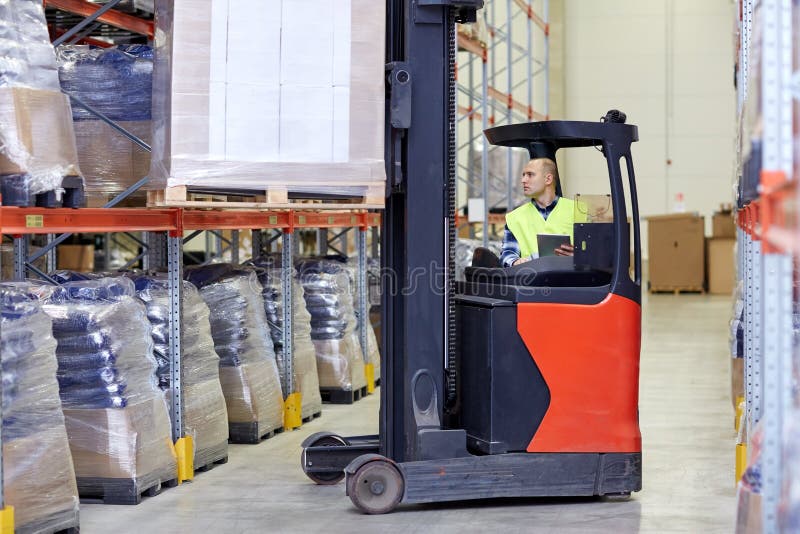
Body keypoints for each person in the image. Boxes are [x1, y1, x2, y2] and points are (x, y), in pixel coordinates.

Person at [500, 157, 575, 267]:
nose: (523, 180)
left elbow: (593, 252)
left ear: (548, 179)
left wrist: (579, 256)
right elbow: (508, 254)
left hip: (572, 277)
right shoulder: (514, 217)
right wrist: (515, 262)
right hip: (530, 276)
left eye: (530, 175)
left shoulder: (579, 211)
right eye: (523, 175)